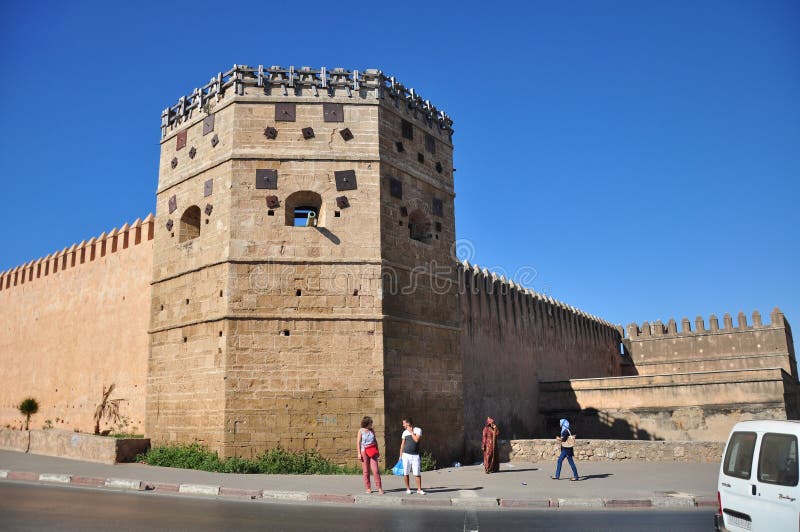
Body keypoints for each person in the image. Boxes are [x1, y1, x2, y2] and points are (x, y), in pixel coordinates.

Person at [357, 416, 384, 494]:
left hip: (372, 451)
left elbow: (375, 441)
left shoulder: (372, 430)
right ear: (366, 423)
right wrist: (359, 453)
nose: (371, 425)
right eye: (370, 423)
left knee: (375, 470)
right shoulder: (361, 431)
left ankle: (379, 488)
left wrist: (377, 451)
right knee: (366, 471)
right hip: (364, 451)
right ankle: (368, 488)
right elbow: (358, 442)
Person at [399, 417, 425, 494]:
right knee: (406, 472)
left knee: (417, 472)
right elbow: (402, 445)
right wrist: (400, 456)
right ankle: (408, 489)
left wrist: (411, 432)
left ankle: (419, 489)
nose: (403, 425)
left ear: (408, 423)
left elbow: (416, 440)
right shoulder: (404, 432)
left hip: (415, 455)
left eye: (404, 423)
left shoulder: (418, 430)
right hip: (405, 455)